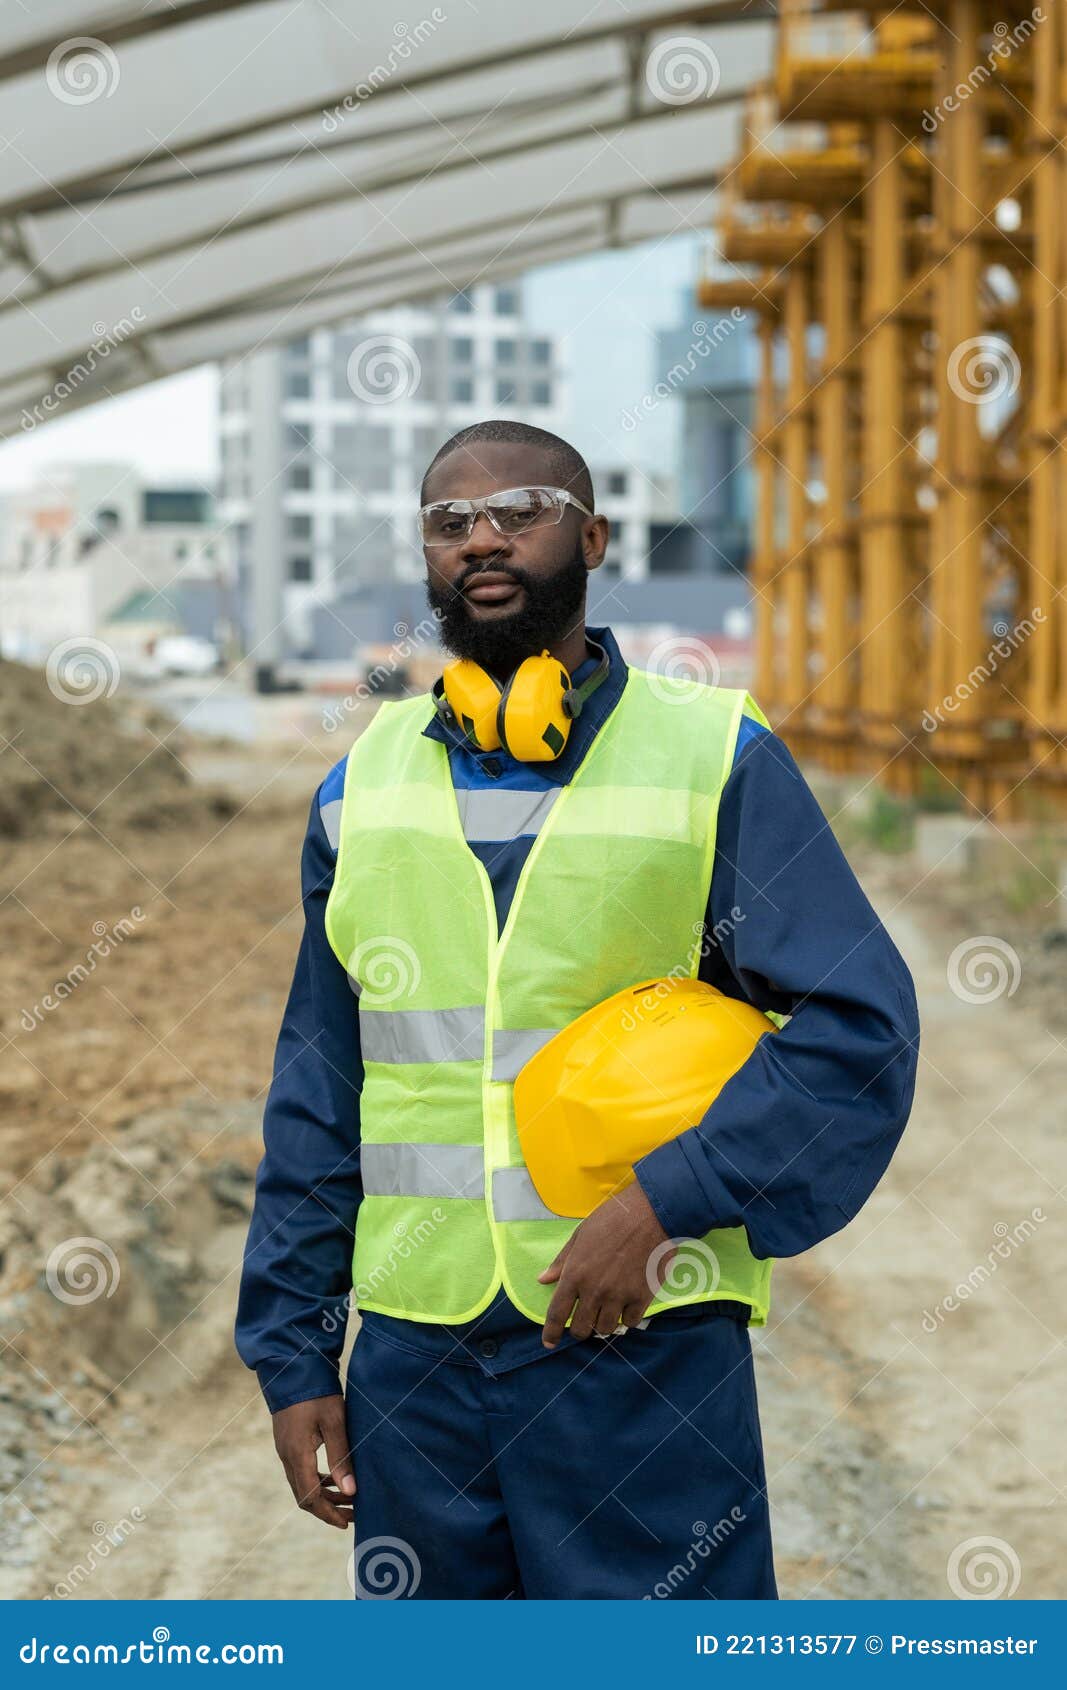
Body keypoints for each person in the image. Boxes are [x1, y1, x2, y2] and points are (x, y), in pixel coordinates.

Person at [235, 419, 919, 1600]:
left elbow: (857, 1033)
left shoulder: (714, 755)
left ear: (593, 536)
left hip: (637, 1355)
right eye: (448, 523)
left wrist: (671, 1199)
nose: (481, 539)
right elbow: (321, 1086)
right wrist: (295, 1355)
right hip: (416, 1365)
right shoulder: (360, 787)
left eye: (522, 509)